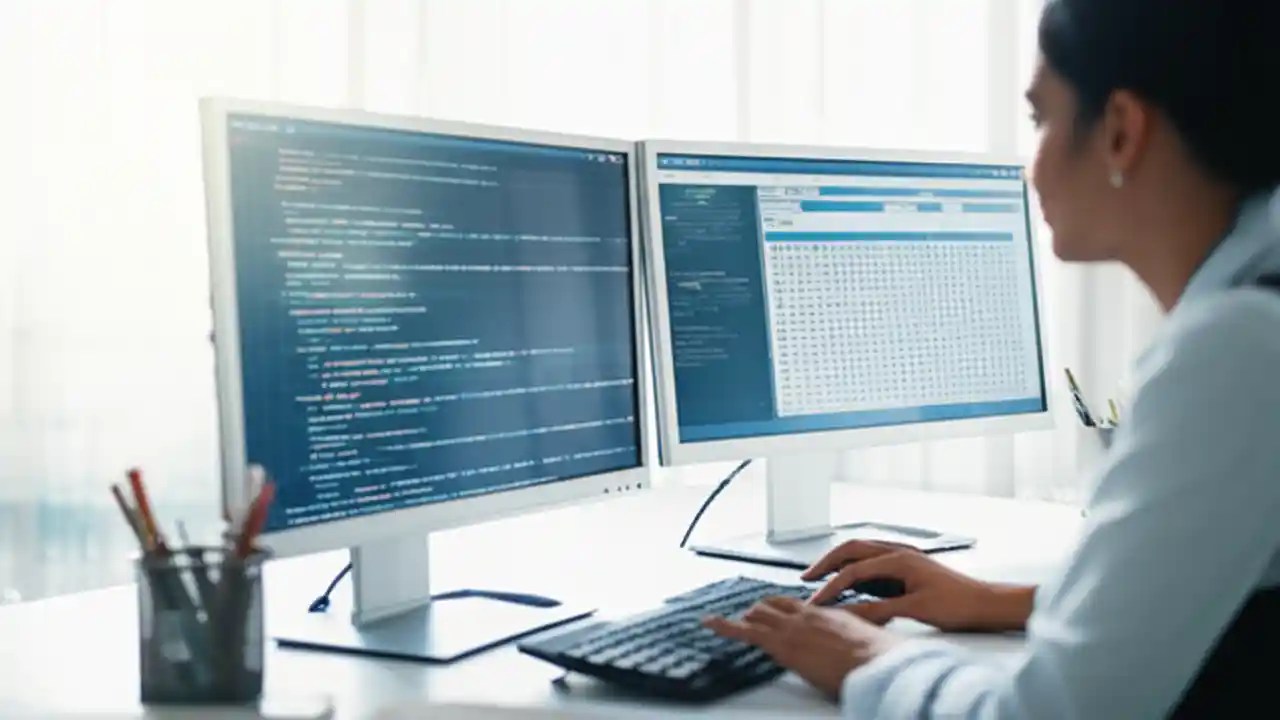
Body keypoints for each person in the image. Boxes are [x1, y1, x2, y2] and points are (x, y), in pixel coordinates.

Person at [704, 0, 1280, 716]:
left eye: (1040, 119)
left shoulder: (1237, 350)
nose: (1032, 167)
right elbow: (1206, 592)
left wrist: (870, 659)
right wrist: (993, 600)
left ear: (1122, 131)